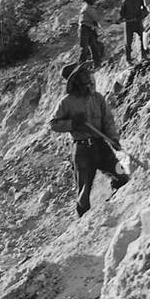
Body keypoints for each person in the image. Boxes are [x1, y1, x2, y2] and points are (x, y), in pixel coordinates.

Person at [48, 62, 131, 218]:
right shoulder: (66, 102)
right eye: (84, 74)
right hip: (83, 152)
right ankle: (82, 222)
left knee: (121, 175)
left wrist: (113, 139)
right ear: (76, 80)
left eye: (87, 73)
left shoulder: (98, 98)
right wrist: (73, 123)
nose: (88, 77)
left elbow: (108, 120)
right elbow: (53, 124)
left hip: (102, 147)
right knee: (84, 191)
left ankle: (114, 209)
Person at [119, 0, 149, 65]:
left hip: (138, 22)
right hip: (128, 24)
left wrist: (141, 16)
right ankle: (128, 59)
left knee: (143, 37)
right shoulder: (125, 2)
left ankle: (144, 55)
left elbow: (145, 10)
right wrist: (123, 18)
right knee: (128, 42)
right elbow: (122, 14)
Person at [78, 0, 104, 67]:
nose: (94, 1)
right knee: (85, 48)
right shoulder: (88, 8)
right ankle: (81, 65)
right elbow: (96, 18)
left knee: (94, 47)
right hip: (85, 29)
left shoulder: (89, 7)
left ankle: (97, 64)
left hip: (89, 29)